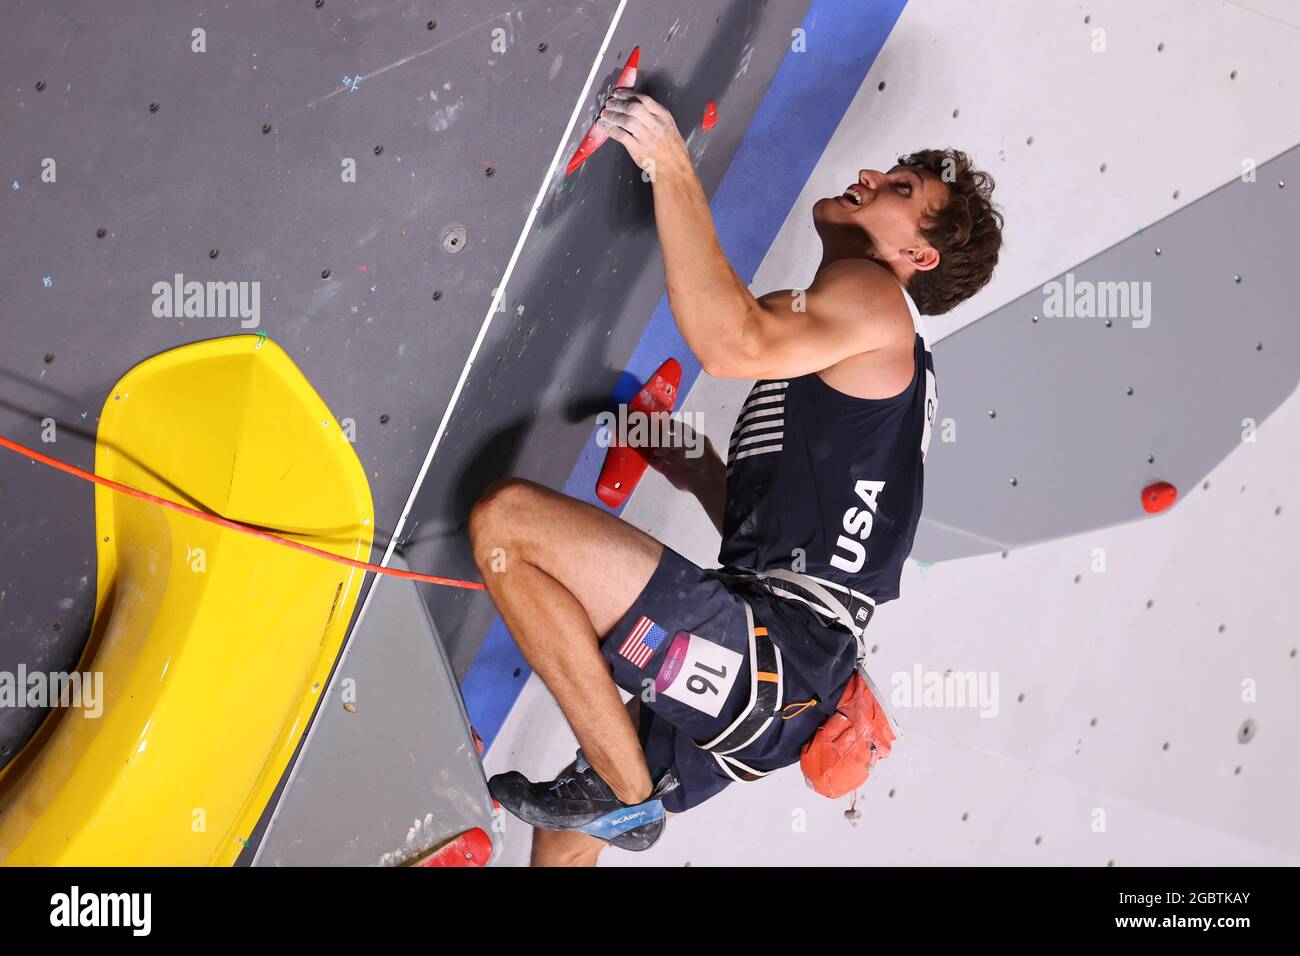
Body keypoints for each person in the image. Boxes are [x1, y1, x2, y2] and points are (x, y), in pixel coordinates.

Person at [469, 86, 1004, 866]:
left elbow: (731, 345)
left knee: (508, 526)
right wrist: (691, 465)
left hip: (778, 660)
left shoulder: (878, 302)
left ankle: (627, 800)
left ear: (916, 259)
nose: (870, 174)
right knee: (563, 829)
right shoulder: (867, 344)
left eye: (900, 191)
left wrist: (668, 163)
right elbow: (797, 535)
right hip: (784, 676)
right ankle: (618, 799)